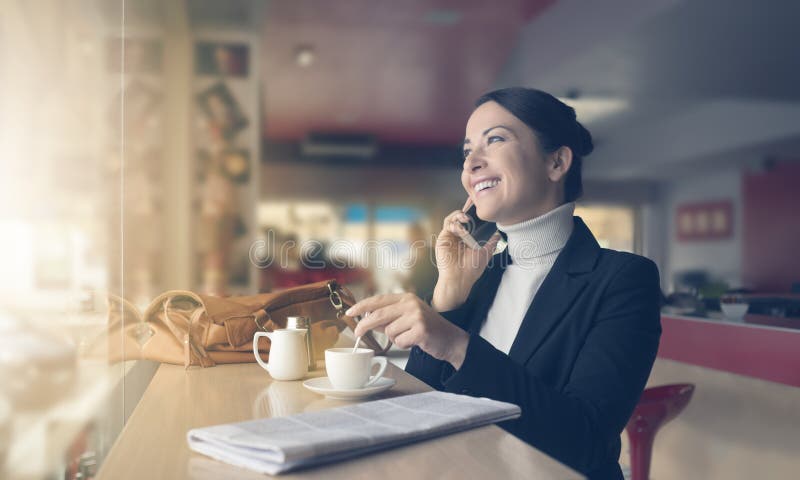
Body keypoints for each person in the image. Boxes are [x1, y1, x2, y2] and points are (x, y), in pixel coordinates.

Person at [349, 87, 661, 479]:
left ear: (556, 162)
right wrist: (449, 295)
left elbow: (586, 441)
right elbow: (423, 407)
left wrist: (456, 344)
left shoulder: (624, 280)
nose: (472, 164)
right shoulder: (480, 276)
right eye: (466, 151)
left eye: (495, 139)